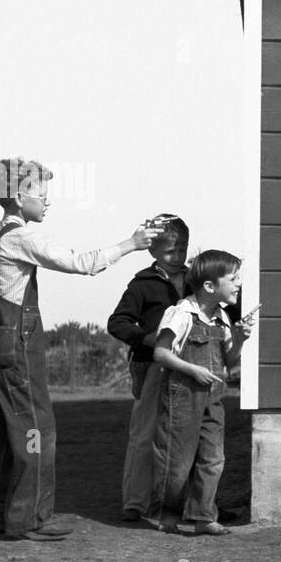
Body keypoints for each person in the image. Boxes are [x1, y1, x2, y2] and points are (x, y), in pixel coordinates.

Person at [0, 156, 160, 540]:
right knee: (36, 430)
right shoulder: (20, 237)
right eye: (42, 195)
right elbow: (80, 263)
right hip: (16, 348)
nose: (47, 202)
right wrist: (131, 245)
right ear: (21, 197)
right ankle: (30, 519)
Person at [151, 250, 256, 535]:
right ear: (210, 286)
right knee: (177, 459)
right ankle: (166, 514)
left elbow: (229, 360)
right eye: (233, 279)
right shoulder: (182, 314)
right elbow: (160, 353)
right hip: (183, 396)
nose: (238, 285)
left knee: (213, 458)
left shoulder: (221, 317)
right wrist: (192, 370)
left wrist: (241, 340)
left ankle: (202, 515)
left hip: (213, 398)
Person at [107, 216, 190, 522]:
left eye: (182, 249)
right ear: (153, 251)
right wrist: (146, 338)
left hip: (188, 366)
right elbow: (117, 323)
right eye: (170, 251)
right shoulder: (142, 284)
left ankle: (179, 502)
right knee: (144, 435)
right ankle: (135, 502)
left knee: (184, 434)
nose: (177, 256)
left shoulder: (196, 279)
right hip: (151, 365)